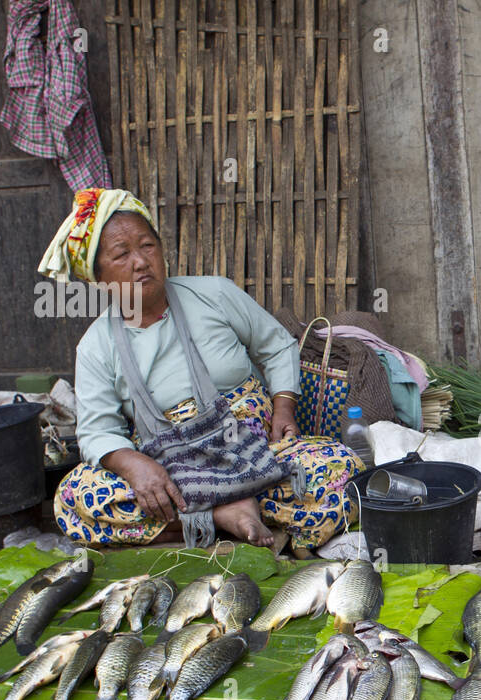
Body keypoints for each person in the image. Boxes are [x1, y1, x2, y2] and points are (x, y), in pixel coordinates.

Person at [39, 187, 363, 549]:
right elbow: (97, 431)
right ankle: (224, 517)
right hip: (173, 471)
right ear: (98, 278)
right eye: (121, 254)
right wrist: (134, 466)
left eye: (147, 246)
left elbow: (276, 345)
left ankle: (208, 520)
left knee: (340, 468)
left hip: (253, 454)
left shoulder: (214, 294)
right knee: (74, 498)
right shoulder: (96, 346)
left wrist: (284, 406)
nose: (140, 262)